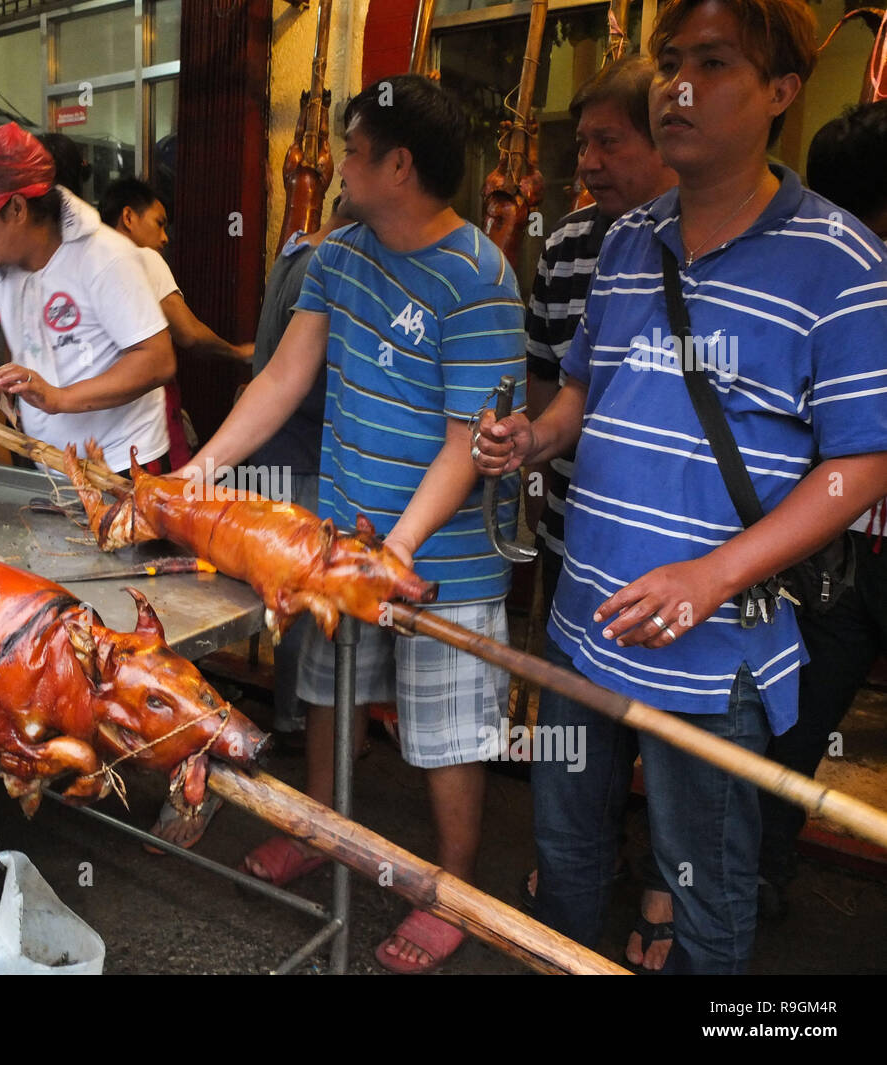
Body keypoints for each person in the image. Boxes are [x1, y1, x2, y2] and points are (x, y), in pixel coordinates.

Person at [474, 0, 887, 973]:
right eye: (667, 62)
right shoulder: (626, 240)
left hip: (714, 657)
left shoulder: (840, 263)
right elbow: (586, 384)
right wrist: (533, 438)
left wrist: (711, 576)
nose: (679, 87)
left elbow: (861, 462)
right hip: (580, 635)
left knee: (702, 889)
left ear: (781, 91)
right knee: (565, 861)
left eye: (712, 62)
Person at [178, 75, 526, 972]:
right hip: (339, 538)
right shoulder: (338, 255)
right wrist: (201, 469)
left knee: (448, 732)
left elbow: (465, 442)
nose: (337, 165)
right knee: (334, 694)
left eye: (353, 149)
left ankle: (451, 890)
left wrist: (398, 548)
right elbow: (283, 376)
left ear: (398, 165)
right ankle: (328, 832)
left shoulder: (482, 280)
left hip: (439, 556)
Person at [522, 56, 679, 972]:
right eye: (579, 141)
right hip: (572, 534)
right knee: (573, 726)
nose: (586, 160)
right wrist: (537, 456)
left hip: (680, 563)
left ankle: (664, 885)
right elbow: (555, 372)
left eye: (606, 140)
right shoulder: (578, 242)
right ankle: (572, 871)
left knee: (670, 736)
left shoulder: (762, 248)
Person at [145, 196, 351, 854]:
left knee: (261, 595)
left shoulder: (294, 248)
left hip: (263, 457)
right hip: (299, 459)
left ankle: (244, 744)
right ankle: (282, 724)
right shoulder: (327, 261)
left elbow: (276, 371)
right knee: (286, 598)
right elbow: (299, 377)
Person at [754, 99, 887, 918]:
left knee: (791, 729)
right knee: (793, 728)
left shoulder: (814, 283)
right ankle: (756, 873)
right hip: (835, 555)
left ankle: (759, 872)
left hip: (826, 553)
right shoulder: (832, 288)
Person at [0, 124, 174, 476]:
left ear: (17, 209)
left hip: (124, 467)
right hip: (50, 466)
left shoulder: (105, 257)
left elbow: (157, 360)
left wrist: (60, 398)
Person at [100, 177, 251, 469]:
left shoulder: (83, 263)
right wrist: (238, 352)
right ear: (128, 217)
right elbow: (189, 334)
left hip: (99, 430)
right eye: (159, 223)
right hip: (142, 429)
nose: (166, 237)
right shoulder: (143, 257)